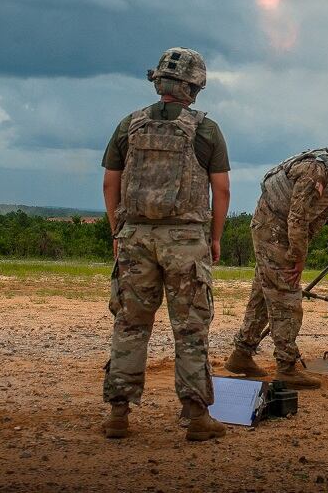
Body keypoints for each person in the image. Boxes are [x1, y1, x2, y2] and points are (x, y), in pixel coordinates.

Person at [100, 48, 232, 442]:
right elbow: (220, 189)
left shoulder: (130, 125)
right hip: (186, 242)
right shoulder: (206, 130)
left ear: (158, 82)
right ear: (194, 86)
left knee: (129, 324)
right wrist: (214, 237)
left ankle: (118, 414)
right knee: (190, 329)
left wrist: (117, 232)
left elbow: (111, 182)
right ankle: (195, 416)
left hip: (135, 237)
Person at [224, 146, 328, 389]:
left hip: (287, 227)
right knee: (286, 294)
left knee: (264, 290)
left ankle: (242, 354)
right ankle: (286, 367)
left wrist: (305, 243)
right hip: (273, 226)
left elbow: (319, 214)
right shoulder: (315, 172)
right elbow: (297, 217)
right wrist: (298, 257)